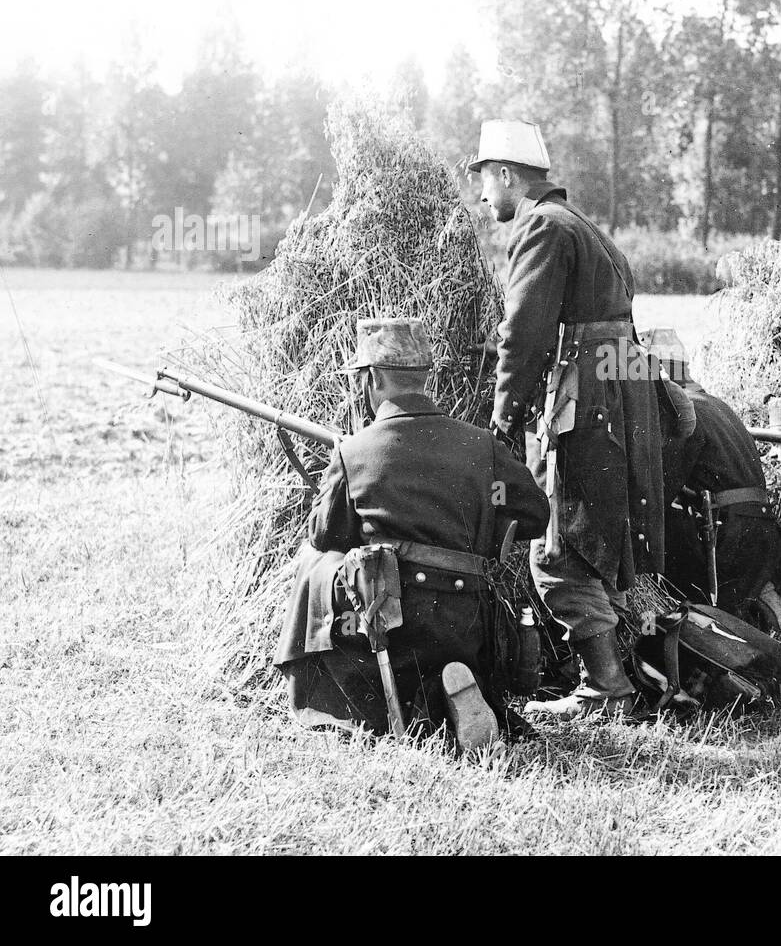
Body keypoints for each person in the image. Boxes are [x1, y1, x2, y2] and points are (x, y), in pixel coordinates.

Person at [273, 318, 549, 749]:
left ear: (375, 378)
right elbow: (535, 515)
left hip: (391, 627)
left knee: (316, 564)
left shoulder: (354, 452)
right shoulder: (482, 447)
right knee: (444, 657)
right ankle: (459, 693)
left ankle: (363, 709)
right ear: (426, 377)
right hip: (469, 621)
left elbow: (324, 536)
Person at [471, 119, 664, 721]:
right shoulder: (588, 229)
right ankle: (615, 672)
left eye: (485, 180)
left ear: (507, 175)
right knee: (598, 532)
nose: (482, 196)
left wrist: (504, 419)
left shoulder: (540, 228)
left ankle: (605, 686)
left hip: (586, 404)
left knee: (557, 544)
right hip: (620, 400)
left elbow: (522, 334)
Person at [641, 329, 781, 643]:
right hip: (760, 532)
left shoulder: (684, 410)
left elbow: (662, 487)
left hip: (727, 537)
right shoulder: (717, 404)